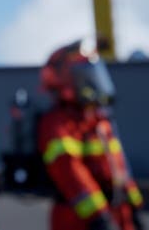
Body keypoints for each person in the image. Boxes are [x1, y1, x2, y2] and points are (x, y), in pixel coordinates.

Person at [38, 40, 144, 230]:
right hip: (79, 220)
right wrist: (99, 217)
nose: (93, 82)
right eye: (86, 76)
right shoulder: (57, 123)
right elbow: (71, 174)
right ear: (67, 81)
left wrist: (134, 207)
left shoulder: (99, 121)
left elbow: (119, 168)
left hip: (116, 214)